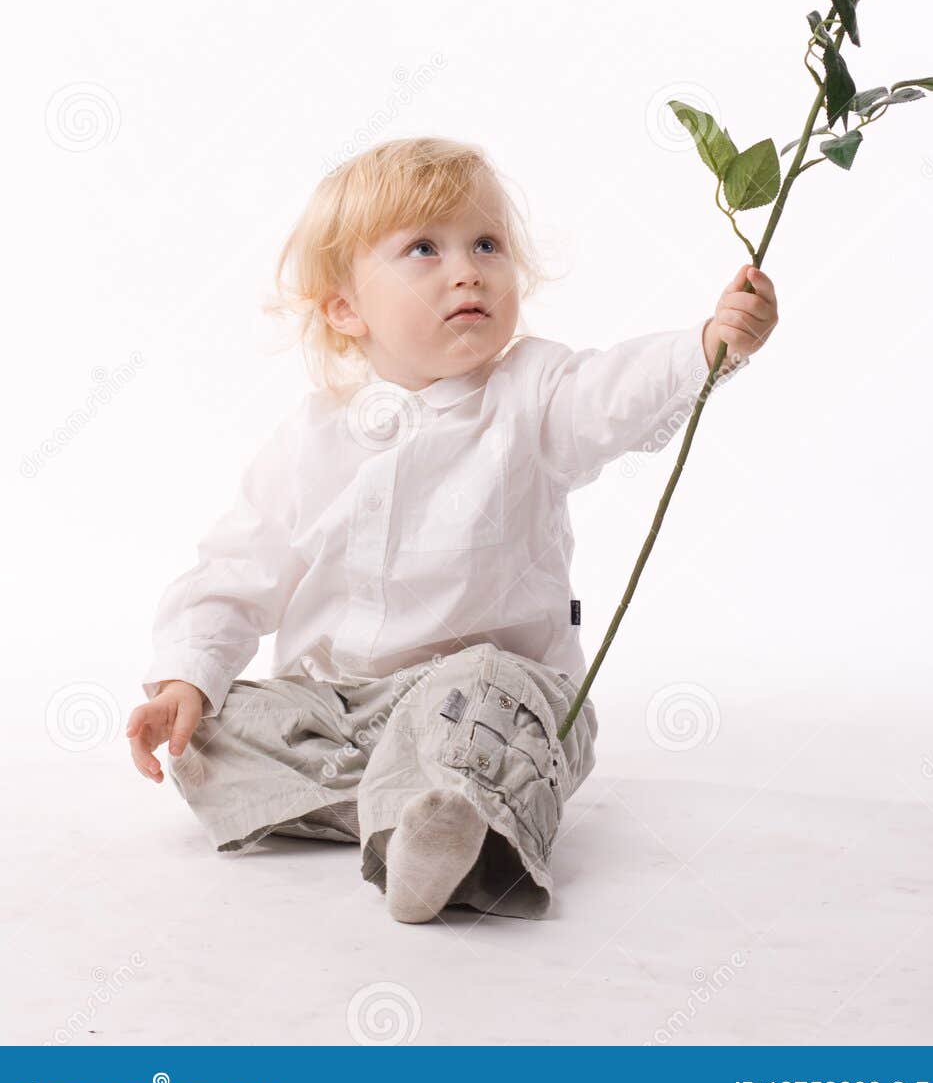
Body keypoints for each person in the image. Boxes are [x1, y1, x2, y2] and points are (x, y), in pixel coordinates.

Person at [126, 135, 778, 923]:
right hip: (346, 717)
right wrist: (186, 680)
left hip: (486, 701)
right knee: (216, 731)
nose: (466, 268)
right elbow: (238, 569)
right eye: (423, 250)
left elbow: (614, 394)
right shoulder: (314, 436)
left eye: (487, 244)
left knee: (495, 699)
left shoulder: (533, 392)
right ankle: (411, 812)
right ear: (344, 307)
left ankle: (446, 818)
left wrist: (710, 345)